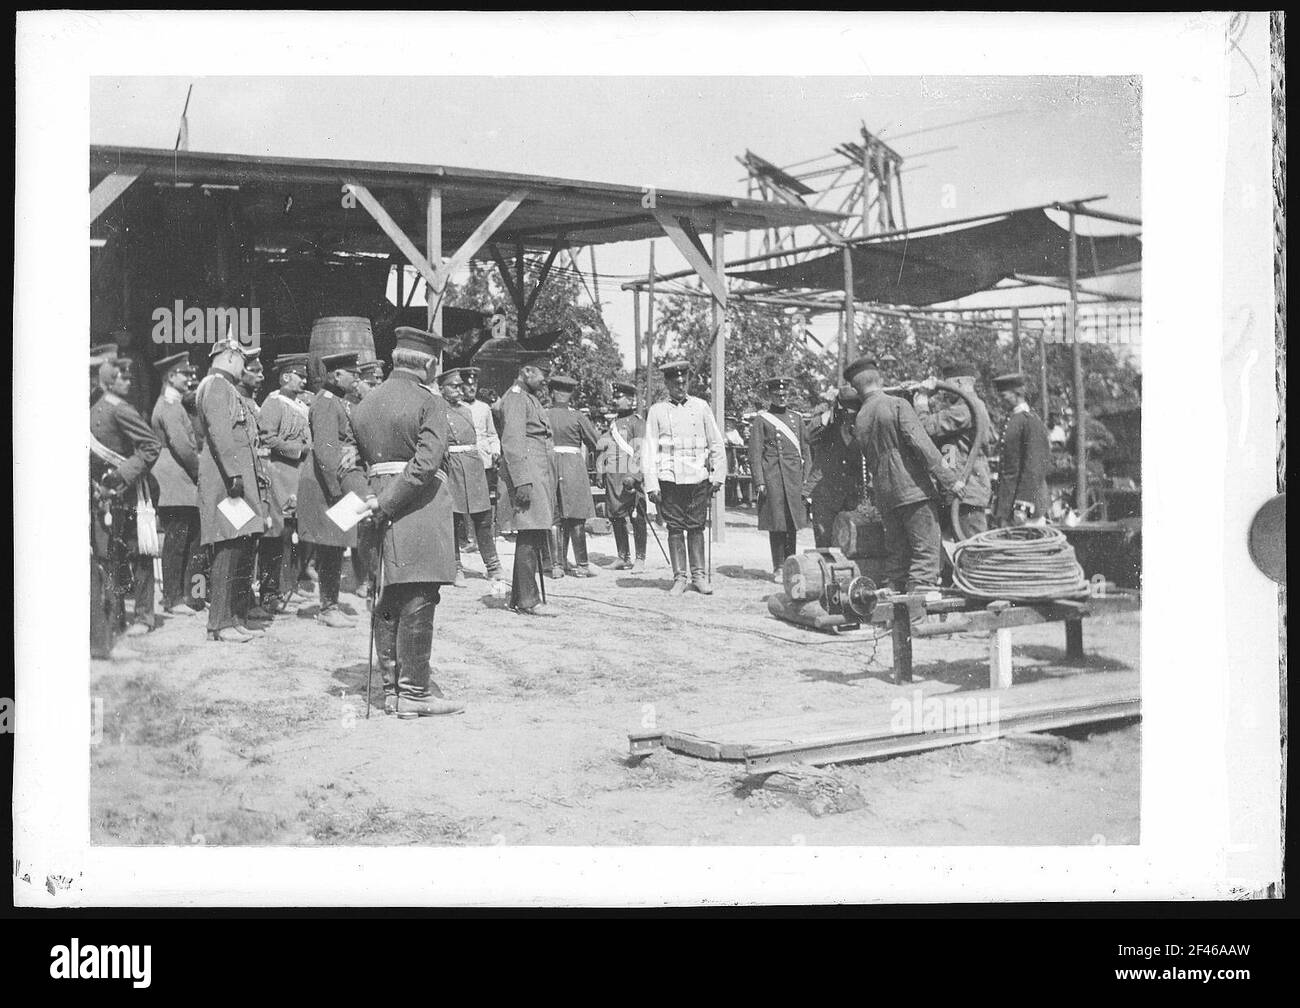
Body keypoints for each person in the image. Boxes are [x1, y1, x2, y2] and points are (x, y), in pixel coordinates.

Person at [342, 326, 464, 717]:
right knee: (419, 595)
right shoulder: (431, 404)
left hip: (373, 510)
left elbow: (346, 465)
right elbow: (427, 463)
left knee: (385, 597)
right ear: (428, 364)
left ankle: (393, 690)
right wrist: (390, 502)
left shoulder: (362, 404)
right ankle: (414, 693)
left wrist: (370, 501)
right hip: (417, 510)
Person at [847, 355, 961, 595]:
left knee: (897, 557)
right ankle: (917, 618)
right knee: (925, 554)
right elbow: (922, 445)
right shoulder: (897, 405)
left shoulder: (860, 417)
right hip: (914, 491)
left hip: (886, 496)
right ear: (879, 378)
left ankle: (893, 618)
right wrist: (950, 480)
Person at [193, 340, 272, 642]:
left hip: (235, 481)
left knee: (239, 547)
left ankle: (234, 616)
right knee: (227, 550)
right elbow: (220, 432)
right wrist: (234, 474)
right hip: (227, 483)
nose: (245, 366)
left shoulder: (226, 387)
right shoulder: (216, 385)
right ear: (228, 357)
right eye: (242, 360)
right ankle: (220, 623)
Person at [89, 356, 161, 637]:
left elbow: (151, 445)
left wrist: (120, 476)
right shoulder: (92, 406)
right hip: (100, 493)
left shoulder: (121, 409)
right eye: (125, 378)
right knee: (109, 554)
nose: (129, 383)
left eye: (130, 378)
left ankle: (144, 616)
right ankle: (115, 616)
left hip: (128, 491)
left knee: (138, 553)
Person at [642, 360, 726, 595]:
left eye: (684, 381)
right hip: (670, 478)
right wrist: (652, 484)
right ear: (668, 383)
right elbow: (649, 449)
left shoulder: (701, 407)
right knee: (675, 529)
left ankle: (698, 576)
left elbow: (716, 443)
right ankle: (679, 577)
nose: (681, 385)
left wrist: (718, 475)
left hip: (698, 477)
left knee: (697, 527)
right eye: (676, 382)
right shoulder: (657, 410)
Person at [296, 351, 362, 628]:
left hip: (331, 483)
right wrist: (338, 490)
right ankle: (328, 607)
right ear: (337, 375)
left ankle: (330, 603)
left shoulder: (335, 401)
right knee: (331, 546)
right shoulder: (325, 403)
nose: (357, 379)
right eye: (353, 374)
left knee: (335, 546)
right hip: (326, 485)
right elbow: (325, 451)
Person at [493, 360, 557, 614]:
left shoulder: (528, 397)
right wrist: (522, 480)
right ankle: (528, 600)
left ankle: (520, 597)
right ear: (527, 371)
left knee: (535, 531)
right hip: (528, 471)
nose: (546, 380)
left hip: (537, 470)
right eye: (543, 374)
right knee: (530, 533)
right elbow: (512, 441)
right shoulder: (517, 397)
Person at [437, 367, 505, 589]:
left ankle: (493, 566)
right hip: (452, 467)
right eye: (454, 387)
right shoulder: (437, 411)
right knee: (454, 519)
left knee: (483, 517)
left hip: (474, 465)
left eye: (460, 386)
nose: (459, 390)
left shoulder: (469, 410)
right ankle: (455, 567)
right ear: (442, 389)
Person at [913, 361, 995, 540]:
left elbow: (926, 427)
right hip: (962, 491)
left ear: (958, 384)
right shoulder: (967, 406)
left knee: (973, 551)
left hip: (967, 493)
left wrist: (921, 401)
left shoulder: (966, 408)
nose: (943, 390)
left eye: (946, 384)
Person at [149, 351, 204, 616]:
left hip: (180, 481)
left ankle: (188, 595)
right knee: (176, 542)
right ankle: (172, 599)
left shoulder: (175, 403)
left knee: (188, 539)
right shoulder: (169, 405)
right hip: (175, 480)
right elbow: (182, 446)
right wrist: (199, 472)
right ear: (171, 377)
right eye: (185, 374)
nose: (189, 378)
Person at [256, 354, 312, 612]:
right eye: (300, 376)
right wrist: (299, 450)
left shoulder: (300, 404)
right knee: (275, 535)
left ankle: (287, 586)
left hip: (297, 476)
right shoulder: (274, 402)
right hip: (279, 474)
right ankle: (269, 593)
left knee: (292, 535)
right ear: (286, 376)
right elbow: (268, 439)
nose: (304, 380)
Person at [749, 376, 814, 582]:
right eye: (777, 394)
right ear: (770, 395)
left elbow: (806, 451)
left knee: (792, 522)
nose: (782, 397)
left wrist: (806, 479)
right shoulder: (762, 419)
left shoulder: (797, 418)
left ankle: (791, 564)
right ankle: (778, 566)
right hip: (773, 476)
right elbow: (755, 453)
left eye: (785, 394)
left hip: (794, 476)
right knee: (777, 522)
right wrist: (759, 480)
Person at [545, 374, 601, 578]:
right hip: (573, 467)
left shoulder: (543, 414)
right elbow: (596, 442)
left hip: (549, 466)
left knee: (554, 517)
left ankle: (557, 566)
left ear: (552, 393)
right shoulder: (578, 416)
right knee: (576, 517)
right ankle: (582, 566)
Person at [596, 380, 646, 572]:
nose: (615, 401)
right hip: (613, 476)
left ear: (631, 399)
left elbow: (640, 450)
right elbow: (605, 448)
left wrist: (633, 476)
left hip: (630, 476)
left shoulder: (637, 422)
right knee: (616, 516)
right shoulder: (613, 424)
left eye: (619, 397)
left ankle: (640, 558)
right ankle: (623, 556)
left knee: (637, 517)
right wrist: (601, 470)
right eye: (615, 397)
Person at [806, 383, 864, 549]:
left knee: (851, 543)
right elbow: (808, 436)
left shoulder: (862, 425)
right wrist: (830, 412)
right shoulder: (828, 423)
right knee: (825, 544)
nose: (850, 416)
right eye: (846, 411)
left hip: (853, 495)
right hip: (826, 496)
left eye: (854, 411)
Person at [991, 372, 1052, 526]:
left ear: (1017, 394)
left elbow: (1034, 467)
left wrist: (1023, 505)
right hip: (1008, 502)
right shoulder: (1012, 420)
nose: (1001, 401)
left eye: (1004, 396)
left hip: (1026, 505)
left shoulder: (1030, 422)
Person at [347, 359, 385, 596]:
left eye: (380, 381)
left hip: (378, 472)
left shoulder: (381, 405)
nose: (376, 386)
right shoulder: (350, 406)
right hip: (358, 472)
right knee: (361, 527)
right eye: (372, 383)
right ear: (359, 382)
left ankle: (376, 577)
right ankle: (362, 578)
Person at [457, 366, 501, 553]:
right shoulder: (457, 408)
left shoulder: (484, 408)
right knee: (465, 499)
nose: (471, 388)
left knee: (483, 499)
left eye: (474, 385)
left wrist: (495, 450)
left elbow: (492, 434)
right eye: (468, 385)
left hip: (483, 459)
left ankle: (485, 536)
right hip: (464, 458)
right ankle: (470, 538)